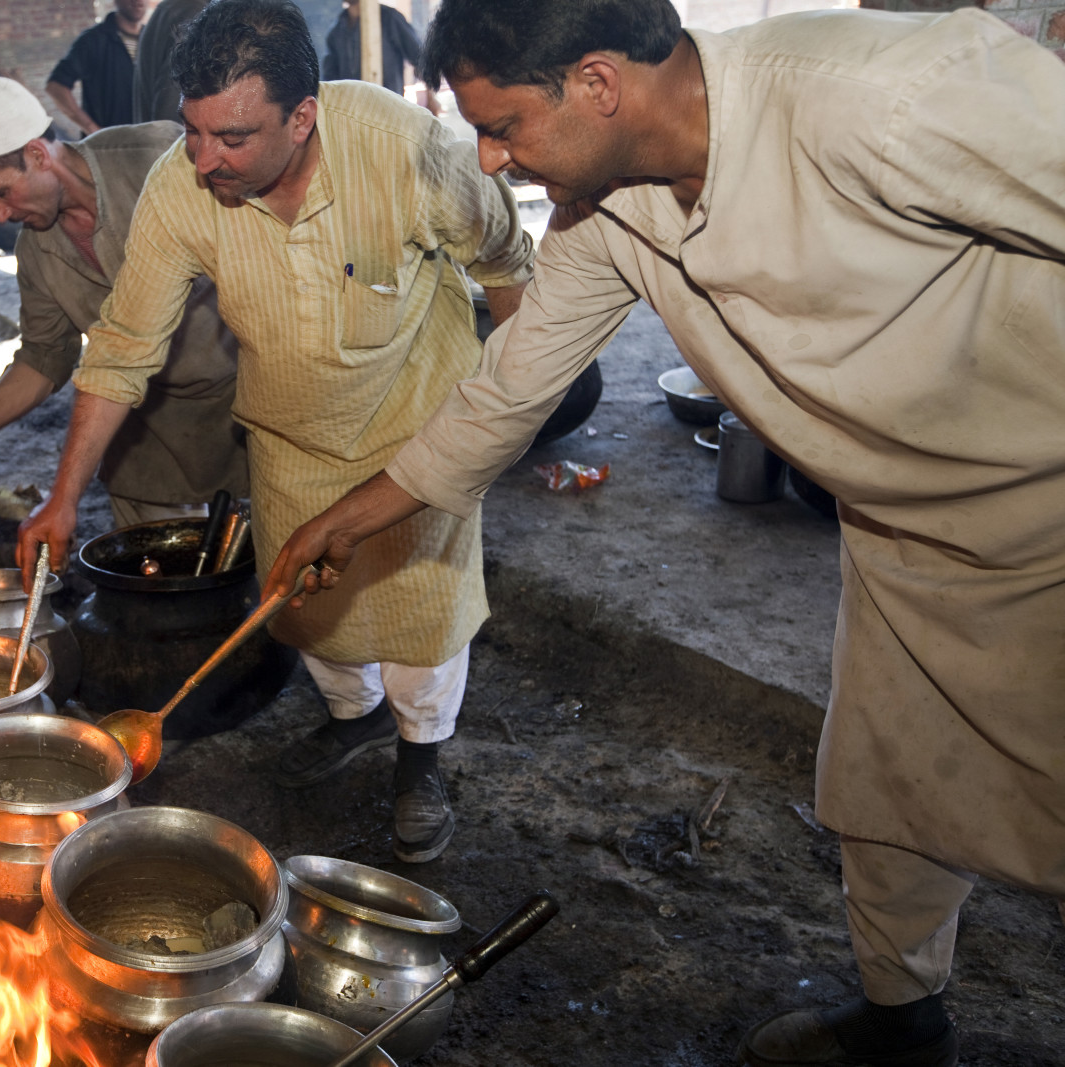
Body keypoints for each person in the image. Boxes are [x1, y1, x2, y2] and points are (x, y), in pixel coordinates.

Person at [263, 0, 1065, 1063]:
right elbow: (506, 392)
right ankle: (902, 1019)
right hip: (895, 541)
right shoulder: (610, 214)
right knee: (888, 793)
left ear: (598, 83)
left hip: (1048, 527)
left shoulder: (884, 98)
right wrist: (352, 517)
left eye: (502, 126)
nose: (491, 160)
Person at [18, 0, 533, 863]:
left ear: (303, 118)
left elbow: (508, 263)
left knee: (422, 619)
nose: (203, 158)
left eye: (232, 137)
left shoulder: (407, 150)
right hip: (289, 441)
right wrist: (64, 498)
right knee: (307, 607)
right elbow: (123, 345)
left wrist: (507, 412)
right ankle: (355, 717)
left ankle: (420, 757)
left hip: (416, 435)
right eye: (193, 131)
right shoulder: (182, 186)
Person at [0, 77, 248, 528]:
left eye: (1, 192)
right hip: (144, 427)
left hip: (242, 404)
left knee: (265, 555)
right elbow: (44, 358)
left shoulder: (157, 157)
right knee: (155, 564)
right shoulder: (36, 252)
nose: (0, 215)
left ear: (38, 154)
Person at [46, 0, 149, 134]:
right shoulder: (93, 40)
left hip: (148, 139)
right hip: (108, 143)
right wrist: (92, 129)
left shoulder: (153, 39)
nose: (138, 1)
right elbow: (56, 87)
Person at [320, 0, 438, 113]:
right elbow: (329, 79)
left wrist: (430, 97)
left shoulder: (389, 19)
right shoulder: (336, 32)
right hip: (354, 114)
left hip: (389, 109)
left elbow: (419, 57)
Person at [133, 0, 208, 124]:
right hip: (169, 132)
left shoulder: (172, 8)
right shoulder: (192, 11)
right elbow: (172, 101)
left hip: (155, 131)